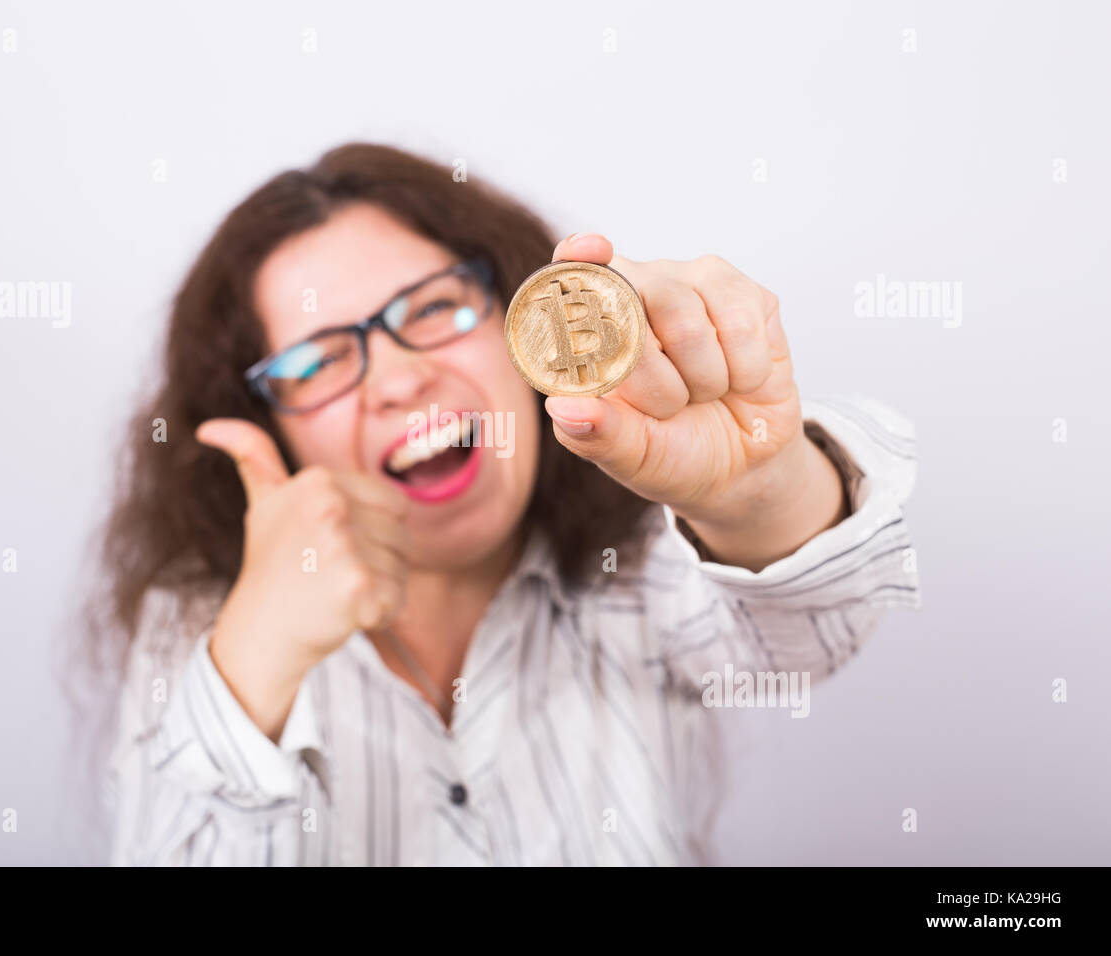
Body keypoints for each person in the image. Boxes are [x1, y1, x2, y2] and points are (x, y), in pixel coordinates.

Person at [93, 142, 920, 866]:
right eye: (315, 363)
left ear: (524, 335)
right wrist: (257, 654)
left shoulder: (635, 568)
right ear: (268, 430)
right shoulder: (203, 625)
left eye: (433, 308)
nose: (399, 377)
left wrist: (754, 489)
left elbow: (812, 634)